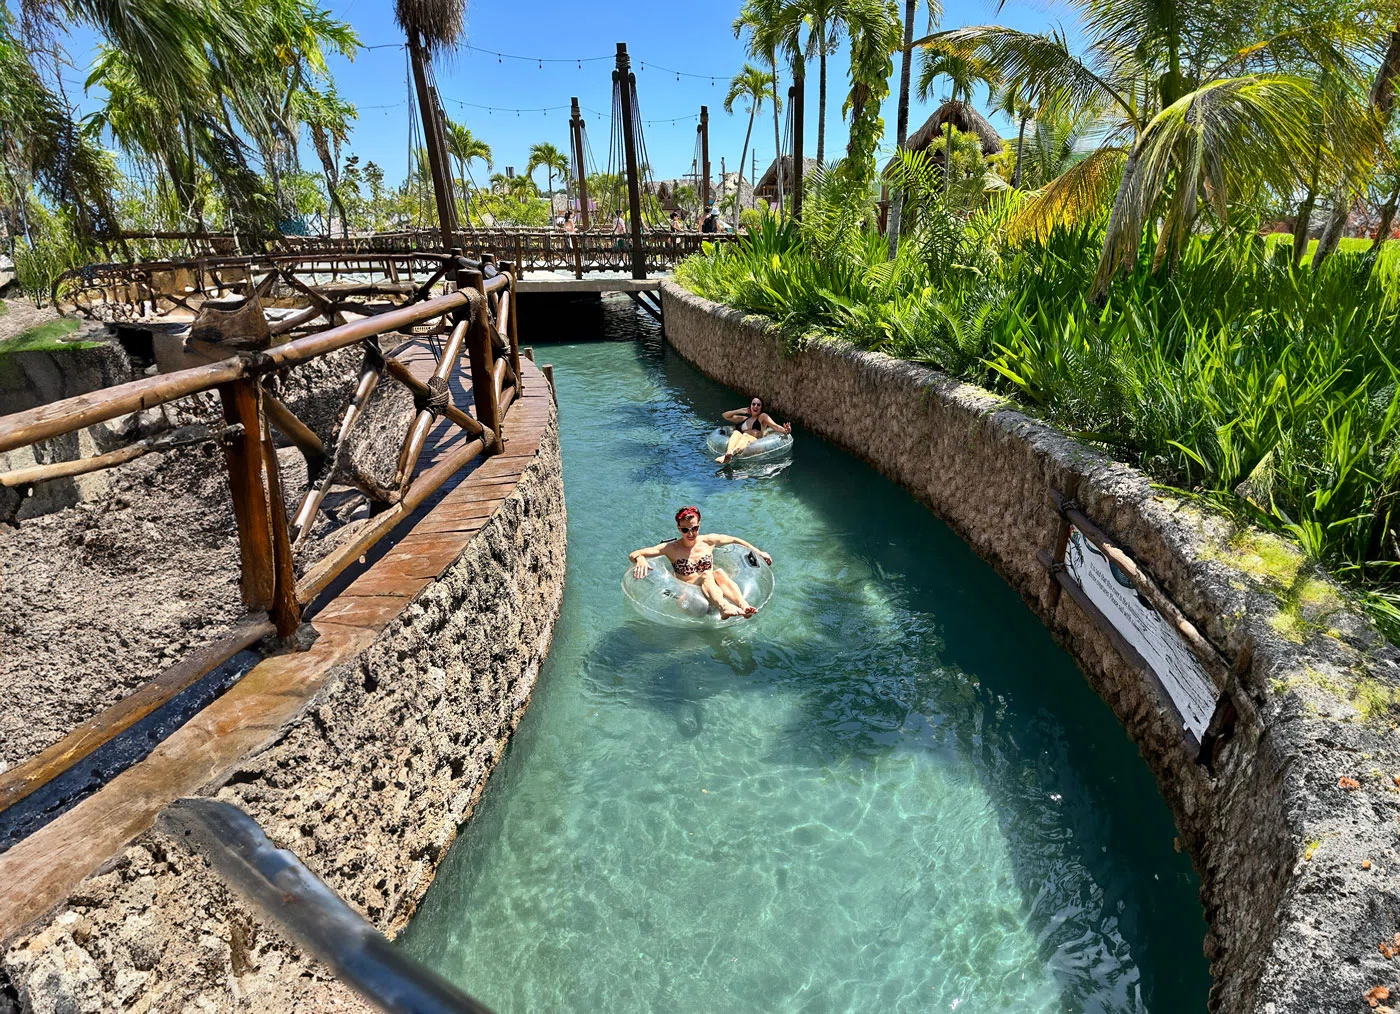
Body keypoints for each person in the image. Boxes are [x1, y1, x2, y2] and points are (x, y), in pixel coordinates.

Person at [629, 506, 772, 619]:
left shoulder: (708, 541)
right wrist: (640, 558)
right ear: (679, 529)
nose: (690, 534)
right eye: (685, 530)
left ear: (699, 525)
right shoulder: (671, 548)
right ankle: (724, 607)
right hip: (691, 601)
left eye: (694, 528)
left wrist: (759, 552)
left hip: (714, 593)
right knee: (707, 575)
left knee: (719, 573)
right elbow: (634, 554)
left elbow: (735, 540)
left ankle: (743, 605)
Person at [717, 395, 791, 464]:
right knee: (736, 432)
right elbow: (725, 415)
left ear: (761, 408)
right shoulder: (744, 419)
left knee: (746, 435)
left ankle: (730, 455)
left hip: (754, 443)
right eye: (753, 404)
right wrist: (740, 410)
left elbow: (775, 426)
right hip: (742, 442)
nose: (755, 406)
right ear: (750, 406)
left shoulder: (762, 417)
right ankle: (728, 452)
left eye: (758, 405)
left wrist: (786, 430)